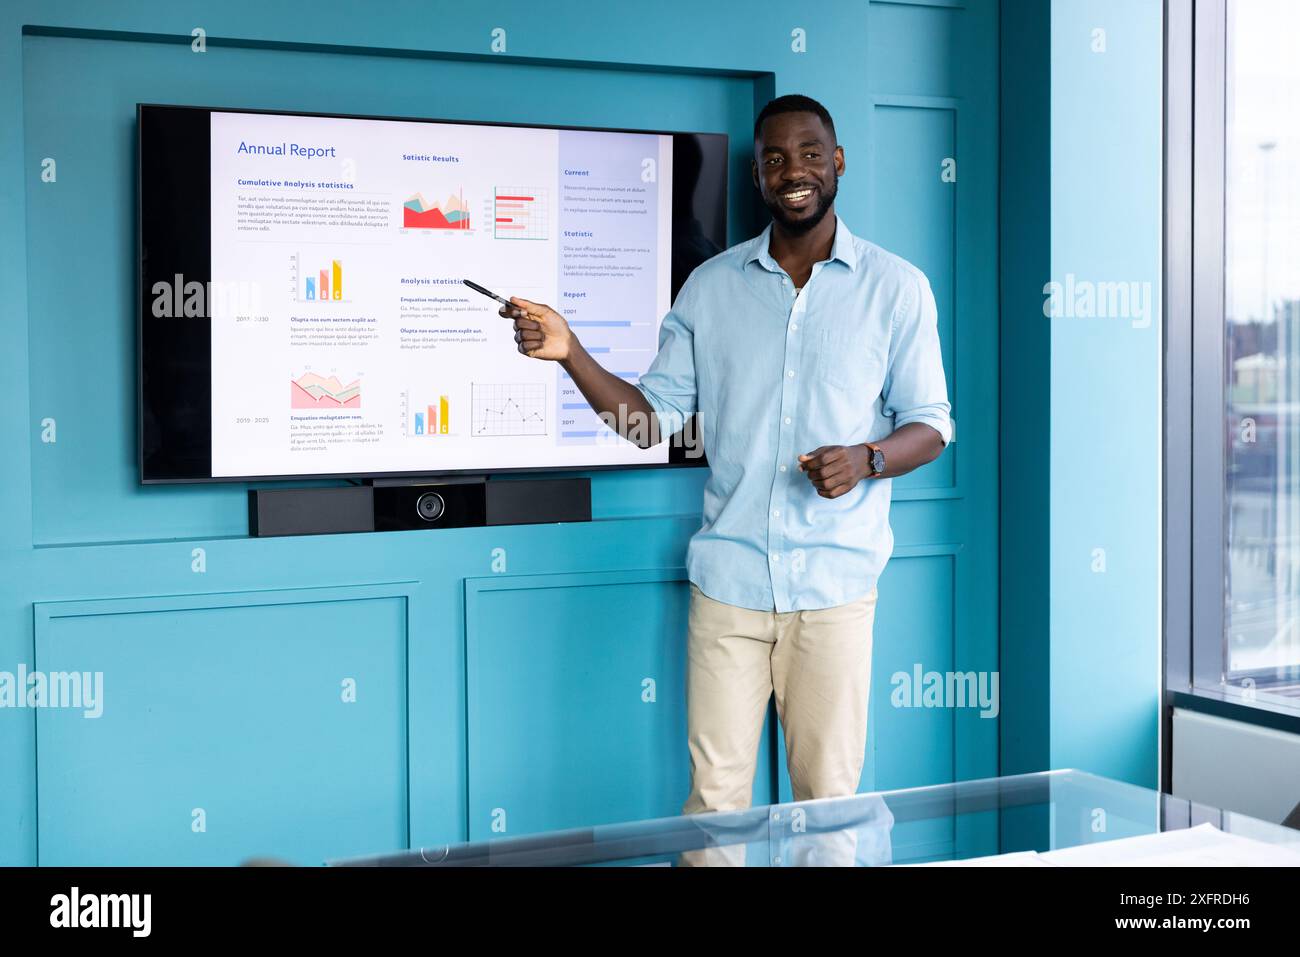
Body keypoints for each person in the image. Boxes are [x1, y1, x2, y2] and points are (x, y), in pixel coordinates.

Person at [499, 94, 951, 865]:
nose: (794, 171)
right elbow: (649, 423)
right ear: (757, 175)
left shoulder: (896, 287)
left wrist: (869, 457)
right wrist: (572, 352)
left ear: (837, 162)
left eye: (810, 153)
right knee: (713, 812)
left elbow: (932, 423)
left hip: (834, 593)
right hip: (729, 592)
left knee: (831, 811)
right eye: (776, 158)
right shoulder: (710, 288)